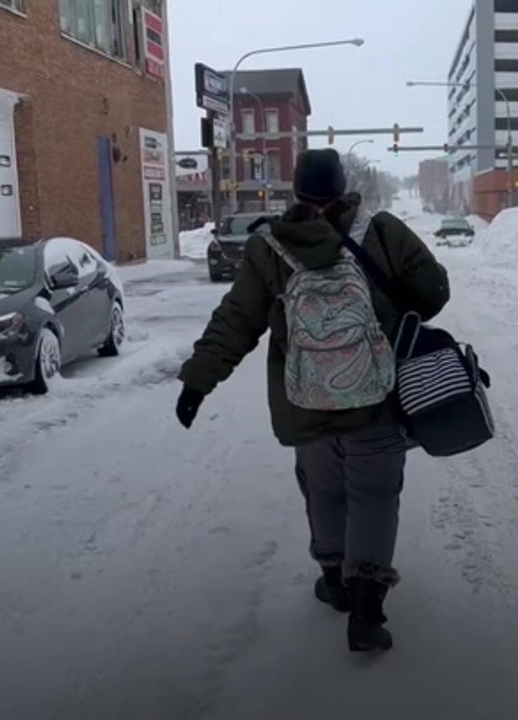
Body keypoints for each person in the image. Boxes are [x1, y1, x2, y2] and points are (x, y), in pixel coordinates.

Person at [175, 148, 450, 653]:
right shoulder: (382, 231)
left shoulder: (270, 246)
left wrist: (198, 382)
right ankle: (368, 612)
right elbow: (434, 294)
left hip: (306, 402)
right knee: (374, 494)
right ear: (343, 187)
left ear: (296, 192)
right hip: (377, 397)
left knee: (323, 489)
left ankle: (336, 583)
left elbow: (237, 320)